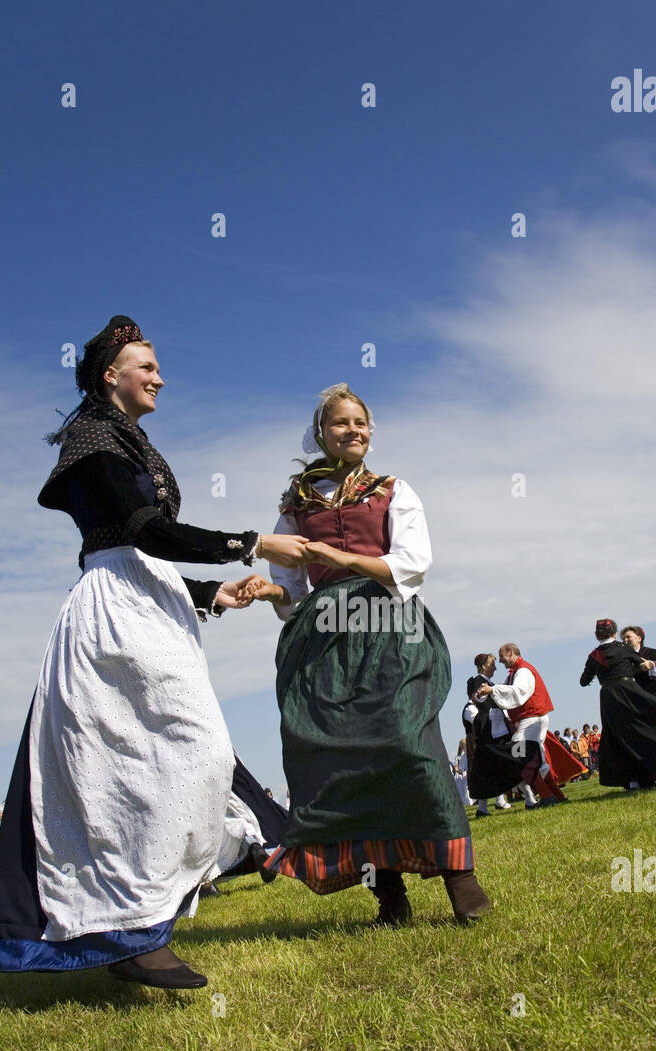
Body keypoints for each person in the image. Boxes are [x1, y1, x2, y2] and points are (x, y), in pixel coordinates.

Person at [0, 315, 309, 989]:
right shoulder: (93, 438)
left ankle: (136, 928)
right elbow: (142, 535)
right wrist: (253, 543)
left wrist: (216, 594)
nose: (160, 376)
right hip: (115, 619)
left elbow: (147, 552)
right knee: (164, 760)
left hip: (150, 604)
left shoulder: (125, 438)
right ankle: (130, 934)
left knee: (181, 759)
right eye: (147, 366)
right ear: (112, 375)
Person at [236, 382, 491, 924]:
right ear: (320, 433)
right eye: (341, 424)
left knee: (407, 740)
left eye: (361, 423)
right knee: (342, 757)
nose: (353, 431)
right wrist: (269, 590)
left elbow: (413, 564)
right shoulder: (296, 504)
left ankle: (460, 881)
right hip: (323, 636)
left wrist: (338, 556)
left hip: (389, 624)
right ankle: (388, 896)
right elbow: (294, 588)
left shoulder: (394, 490)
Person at [579, 621, 656, 789]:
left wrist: (600, 672)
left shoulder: (594, 655)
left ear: (597, 635)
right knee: (651, 727)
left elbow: (583, 681)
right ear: (614, 633)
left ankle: (633, 782)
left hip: (609, 698)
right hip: (629, 692)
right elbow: (642, 664)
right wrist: (649, 666)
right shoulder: (623, 647)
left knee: (620, 737)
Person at [474, 642, 575, 807]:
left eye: (502, 656)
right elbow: (507, 689)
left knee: (519, 753)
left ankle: (547, 796)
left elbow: (518, 691)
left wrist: (493, 690)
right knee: (536, 758)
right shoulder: (515, 672)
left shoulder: (523, 670)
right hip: (530, 719)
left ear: (511, 652)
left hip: (532, 719)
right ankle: (555, 795)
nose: (500, 661)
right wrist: (489, 692)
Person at [463, 654, 514, 814]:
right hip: (489, 730)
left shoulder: (489, 683)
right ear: (484, 666)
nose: (495, 667)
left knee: (494, 765)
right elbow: (477, 699)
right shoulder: (478, 682)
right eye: (492, 664)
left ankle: (489, 805)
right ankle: (526, 797)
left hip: (496, 728)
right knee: (503, 763)